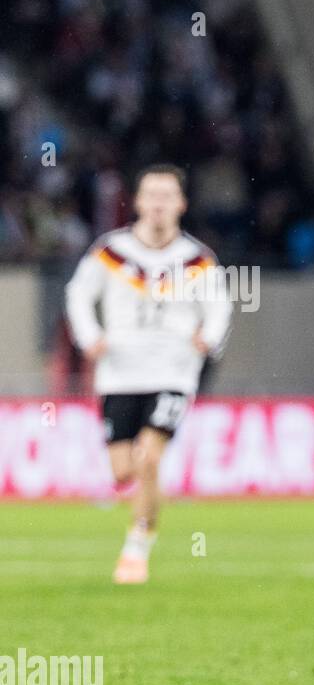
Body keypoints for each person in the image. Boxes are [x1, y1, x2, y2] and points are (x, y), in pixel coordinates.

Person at [65, 164, 231, 584]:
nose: (158, 204)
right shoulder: (111, 251)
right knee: (124, 471)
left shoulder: (196, 259)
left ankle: (138, 544)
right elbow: (78, 294)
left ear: (181, 204)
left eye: (167, 196)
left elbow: (220, 305)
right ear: (138, 202)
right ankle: (147, 511)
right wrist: (90, 336)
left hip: (174, 371)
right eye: (151, 195)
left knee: (149, 457)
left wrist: (208, 338)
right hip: (119, 372)